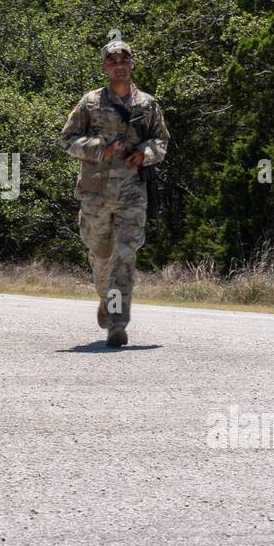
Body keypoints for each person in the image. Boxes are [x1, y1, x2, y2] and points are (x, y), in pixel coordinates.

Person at [60, 38, 169, 347]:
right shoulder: (90, 103)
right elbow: (67, 140)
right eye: (113, 62)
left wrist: (145, 153)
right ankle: (105, 298)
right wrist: (99, 149)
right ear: (105, 67)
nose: (119, 66)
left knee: (125, 256)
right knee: (101, 256)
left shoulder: (147, 104)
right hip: (95, 192)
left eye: (124, 61)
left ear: (132, 65)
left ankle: (117, 324)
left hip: (133, 192)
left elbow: (161, 140)